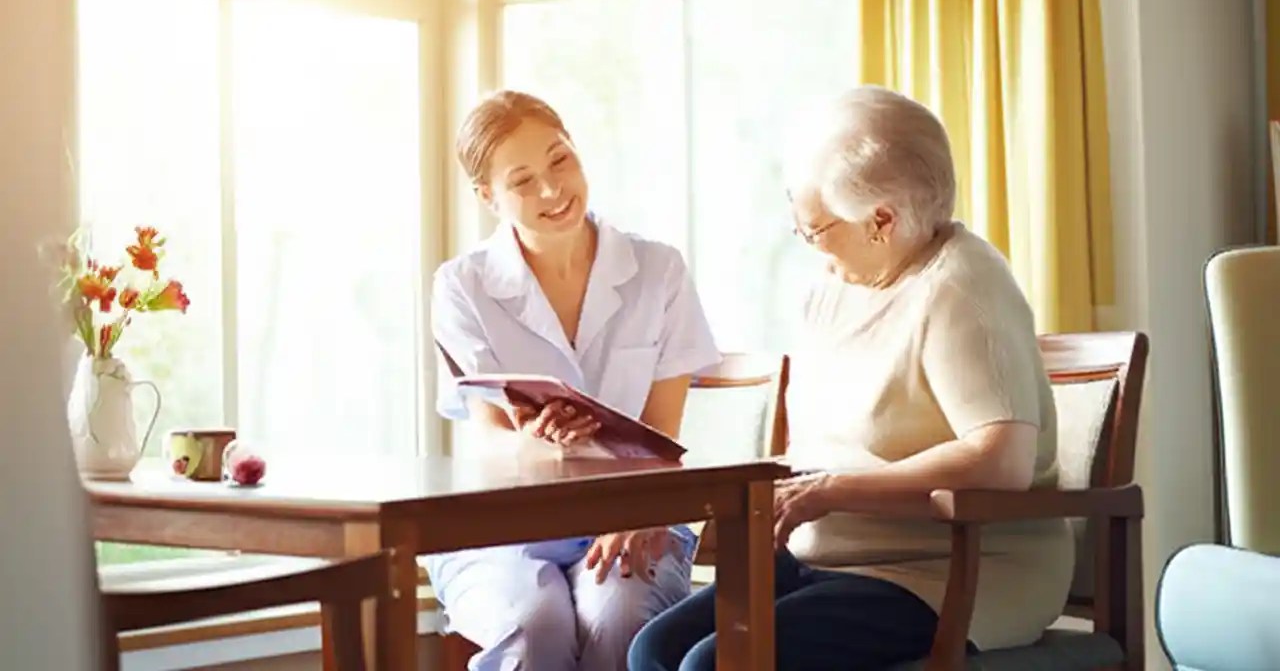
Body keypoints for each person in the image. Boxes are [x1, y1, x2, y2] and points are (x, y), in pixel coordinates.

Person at [628, 85, 1073, 670]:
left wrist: (831, 491)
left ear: (881, 221)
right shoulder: (832, 290)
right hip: (827, 559)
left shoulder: (961, 287)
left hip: (943, 570)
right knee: (653, 651)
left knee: (714, 664)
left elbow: (1001, 461)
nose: (809, 244)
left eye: (815, 229)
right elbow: (816, 450)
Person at [426, 89, 721, 671]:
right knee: (535, 626)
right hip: (504, 525)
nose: (553, 191)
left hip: (634, 507)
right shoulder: (462, 285)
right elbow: (487, 441)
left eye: (560, 160)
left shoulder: (658, 270)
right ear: (487, 196)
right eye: (523, 180)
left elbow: (663, 438)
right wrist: (538, 445)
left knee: (617, 621)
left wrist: (641, 508)